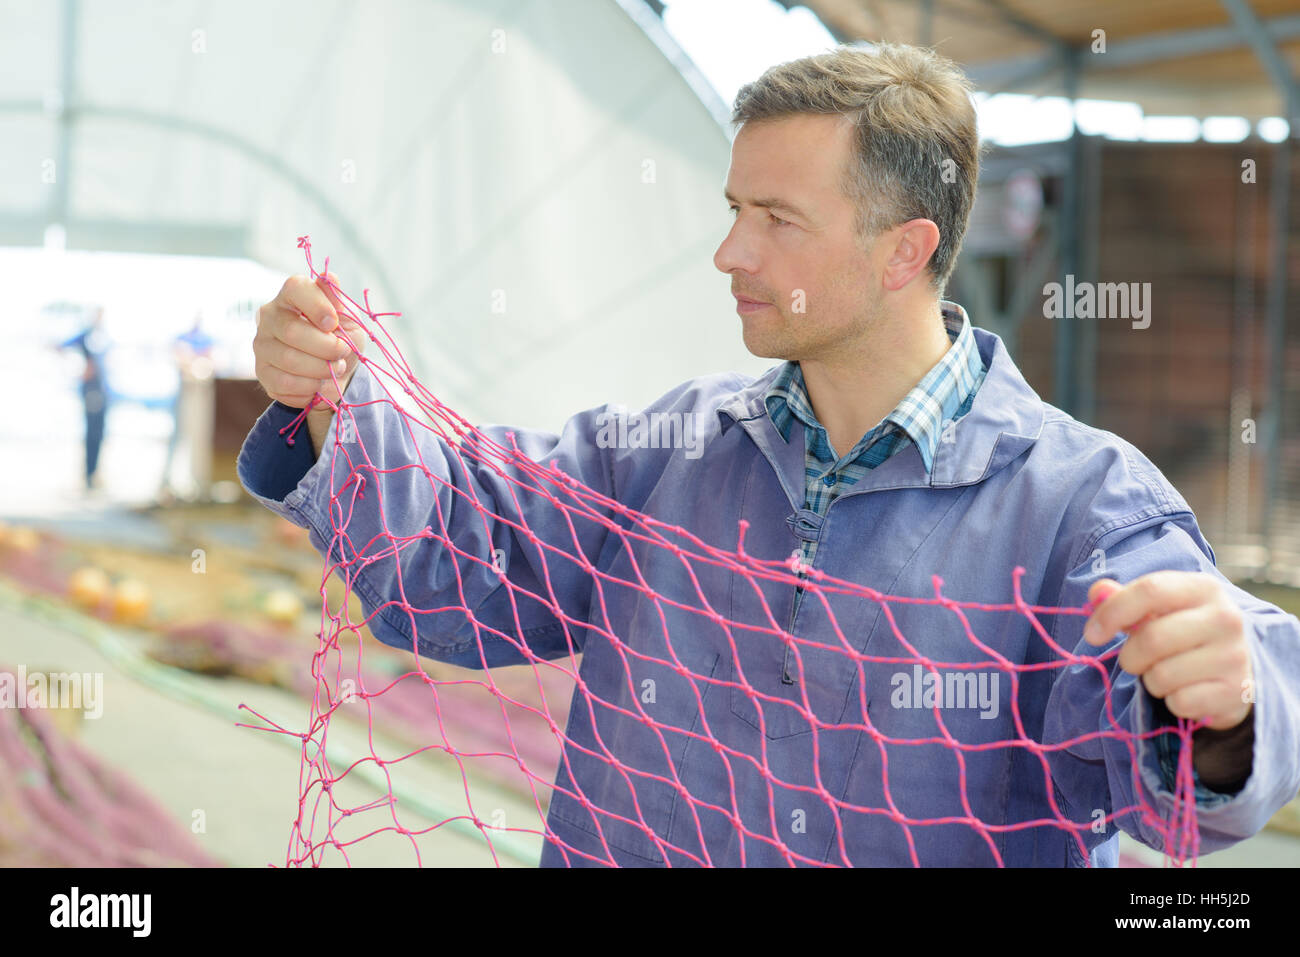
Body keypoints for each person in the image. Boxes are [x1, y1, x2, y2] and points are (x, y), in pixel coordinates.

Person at [237, 43, 1300, 866]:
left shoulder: (1078, 509)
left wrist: (1222, 708)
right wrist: (335, 402)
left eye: (776, 219)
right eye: (733, 209)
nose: (729, 252)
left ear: (904, 250)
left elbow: (1194, 754)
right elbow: (452, 559)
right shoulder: (663, 456)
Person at [159, 313, 217, 502]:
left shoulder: (207, 339)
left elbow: (212, 361)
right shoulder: (182, 339)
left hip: (201, 396)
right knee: (177, 439)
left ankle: (197, 482)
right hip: (184, 395)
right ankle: (167, 482)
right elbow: (179, 357)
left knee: (199, 441)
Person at [55, 306, 111, 493]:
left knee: (101, 432)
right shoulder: (85, 336)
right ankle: (88, 474)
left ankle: (94, 473)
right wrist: (79, 369)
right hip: (91, 390)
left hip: (104, 391)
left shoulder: (103, 336)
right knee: (92, 433)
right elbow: (61, 348)